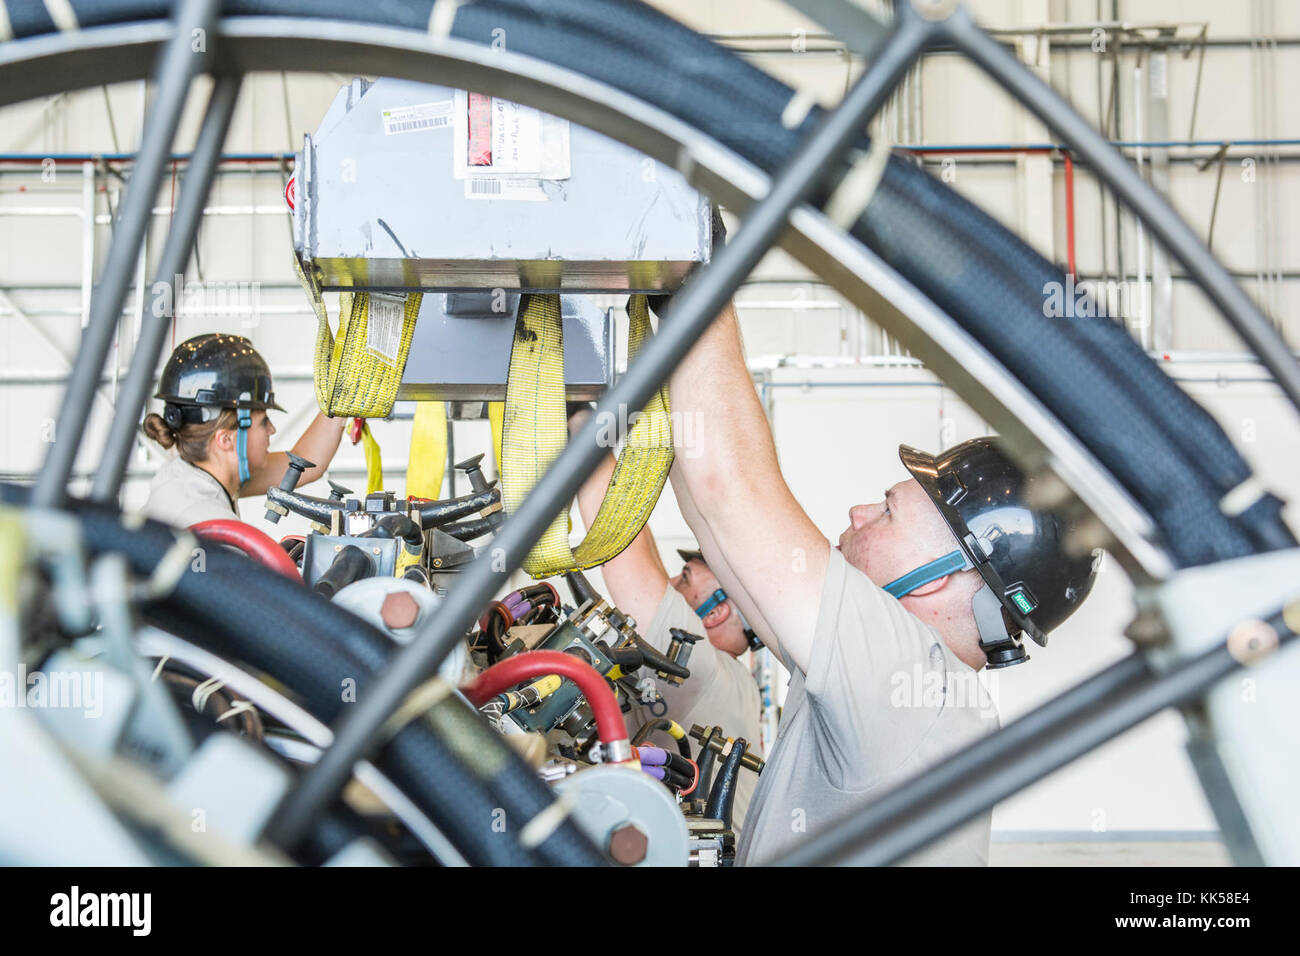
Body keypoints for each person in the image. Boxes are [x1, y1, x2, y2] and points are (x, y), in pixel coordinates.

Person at [662, 298, 1097, 866]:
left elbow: (727, 483)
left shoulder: (910, 685)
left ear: (938, 580)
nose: (858, 512)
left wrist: (699, 283)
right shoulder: (907, 687)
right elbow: (714, 517)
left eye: (888, 510)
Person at [571, 412, 765, 832]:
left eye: (686, 579)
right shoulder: (738, 685)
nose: (672, 584)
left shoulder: (705, 669)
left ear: (716, 611)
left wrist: (579, 420)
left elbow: (628, 556)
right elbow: (645, 552)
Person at [140, 333, 346, 528]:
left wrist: (347, 394)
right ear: (226, 439)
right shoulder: (210, 523)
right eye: (263, 421)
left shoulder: (190, 475)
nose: (272, 430)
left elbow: (307, 460)